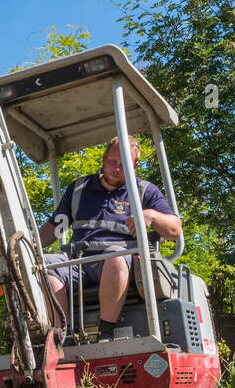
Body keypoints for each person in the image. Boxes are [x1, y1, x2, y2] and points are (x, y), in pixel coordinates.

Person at [38, 137, 182, 341]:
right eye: (113, 162)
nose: (116, 169)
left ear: (135, 165)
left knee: (115, 256)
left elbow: (175, 229)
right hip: (80, 261)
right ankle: (64, 336)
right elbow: (52, 228)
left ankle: (105, 333)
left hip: (121, 262)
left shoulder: (145, 191)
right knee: (41, 265)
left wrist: (151, 215)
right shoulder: (79, 189)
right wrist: (29, 247)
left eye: (124, 165)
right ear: (104, 158)